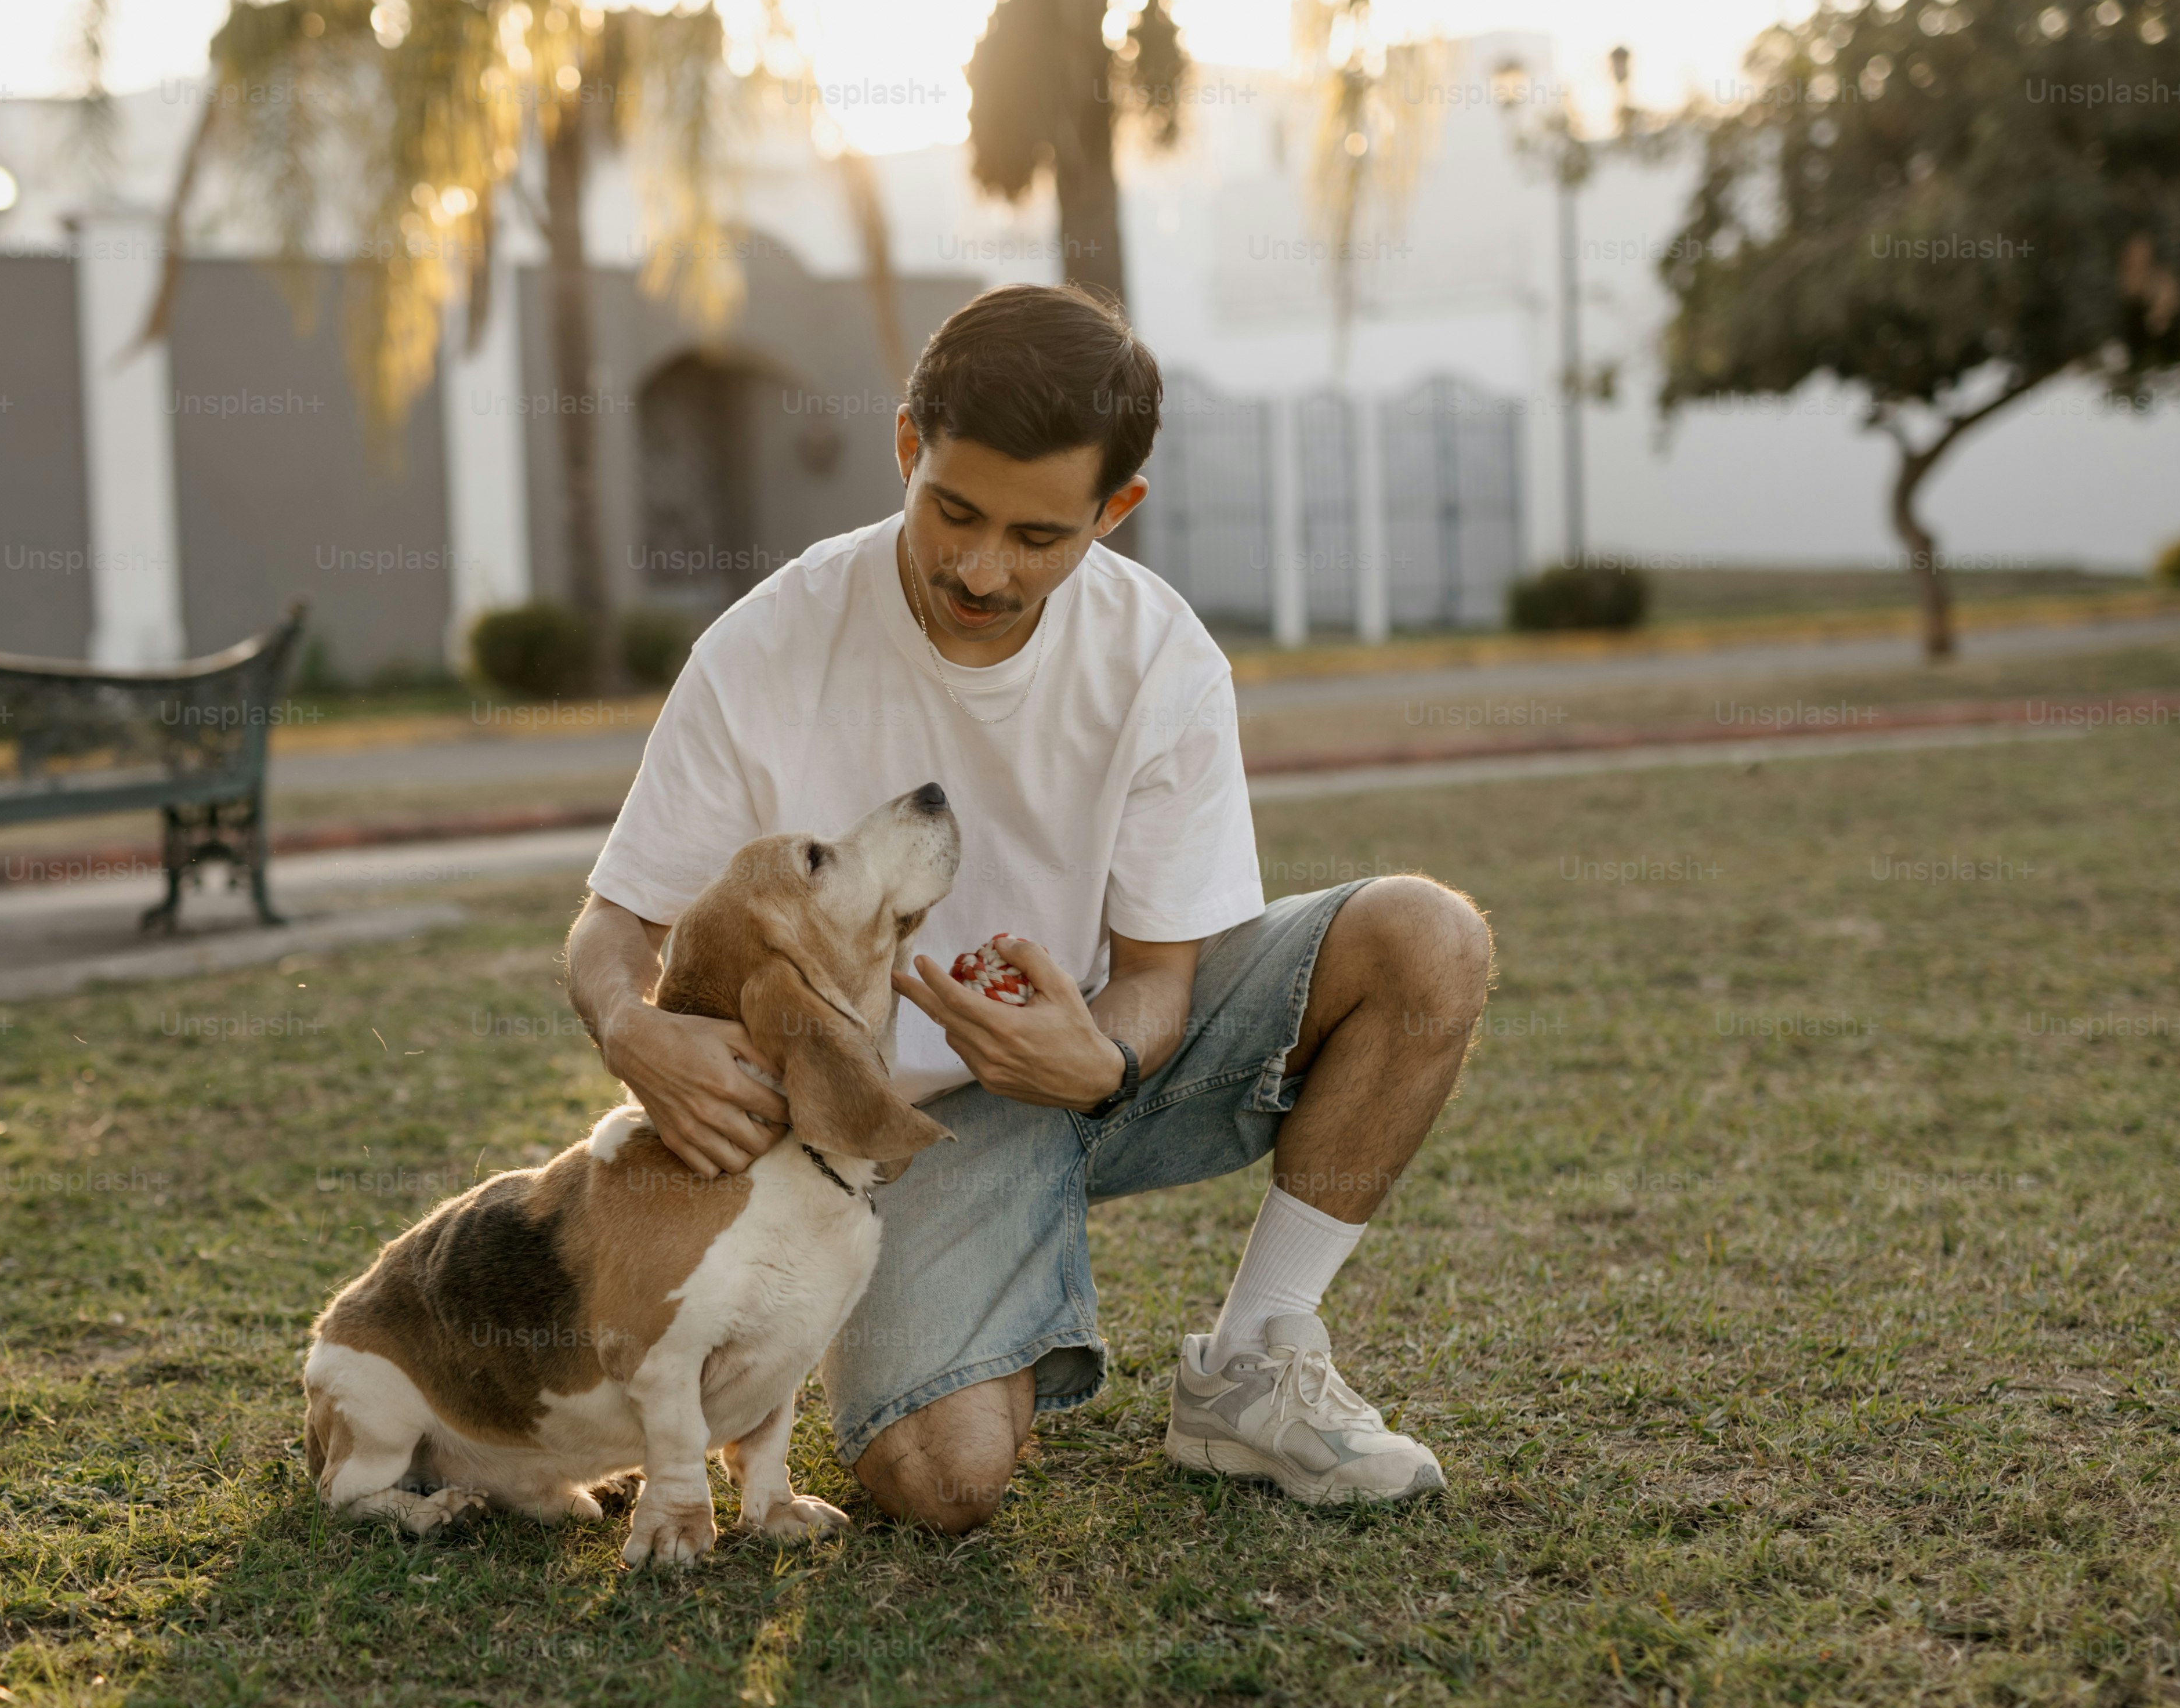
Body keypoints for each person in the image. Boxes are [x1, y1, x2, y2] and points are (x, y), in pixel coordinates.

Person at [564, 282, 1493, 1530]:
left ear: (1115, 511)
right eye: (953, 511)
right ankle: (989, 1269)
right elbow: (611, 924)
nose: (982, 567)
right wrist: (629, 1027)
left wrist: (1098, 1049)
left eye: (1040, 536)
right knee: (939, 1482)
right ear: (905, 446)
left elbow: (1164, 974)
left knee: (1427, 936)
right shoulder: (764, 645)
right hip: (896, 1126)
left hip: (1109, 1064)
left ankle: (1254, 1356)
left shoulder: (1159, 657)